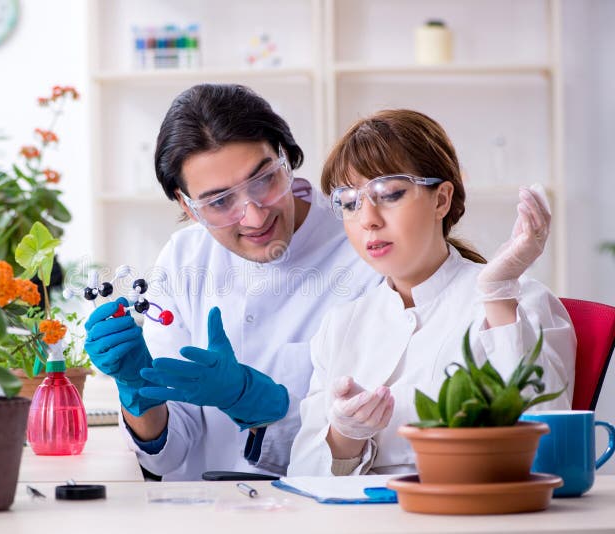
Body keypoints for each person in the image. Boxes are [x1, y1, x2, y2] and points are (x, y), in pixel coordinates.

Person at [84, 84, 380, 480]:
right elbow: (166, 457)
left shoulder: (363, 250)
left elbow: (371, 440)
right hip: (202, 506)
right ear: (187, 205)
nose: (254, 217)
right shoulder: (183, 258)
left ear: (285, 157)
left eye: (264, 180)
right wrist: (136, 388)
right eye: (220, 202)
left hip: (317, 507)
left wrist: (259, 403)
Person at [288, 109, 576, 476]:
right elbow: (302, 476)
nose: (368, 219)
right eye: (349, 202)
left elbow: (548, 451)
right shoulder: (340, 326)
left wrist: (498, 295)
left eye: (389, 194)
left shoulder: (521, 303)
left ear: (441, 200)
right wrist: (345, 436)